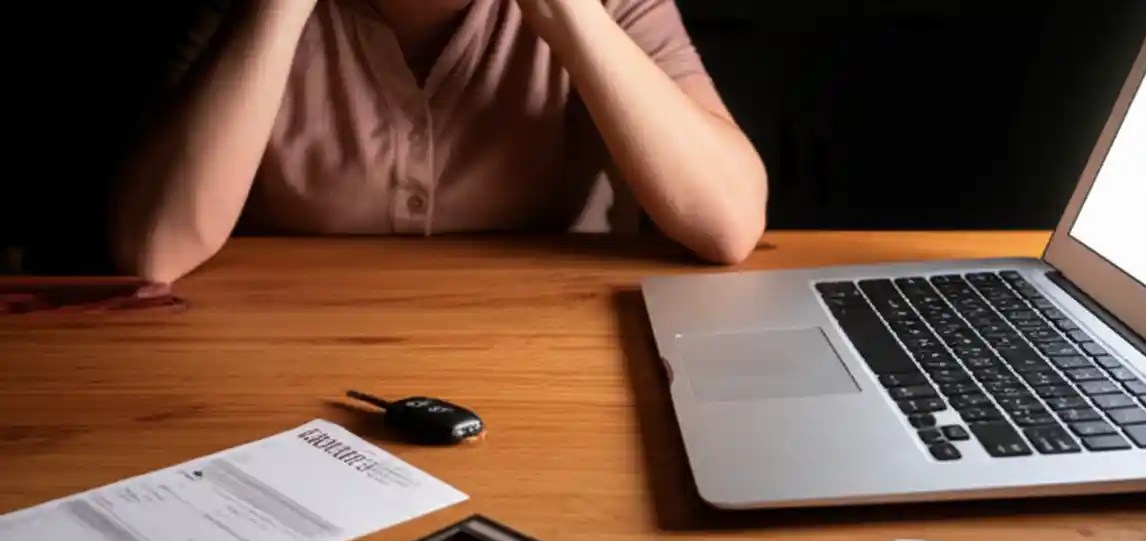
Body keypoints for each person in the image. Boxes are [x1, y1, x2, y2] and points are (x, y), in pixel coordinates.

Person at [110, 0, 768, 283]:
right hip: (280, 358)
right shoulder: (237, 11)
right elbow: (155, 250)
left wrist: (570, 15)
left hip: (542, 359)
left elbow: (728, 224)